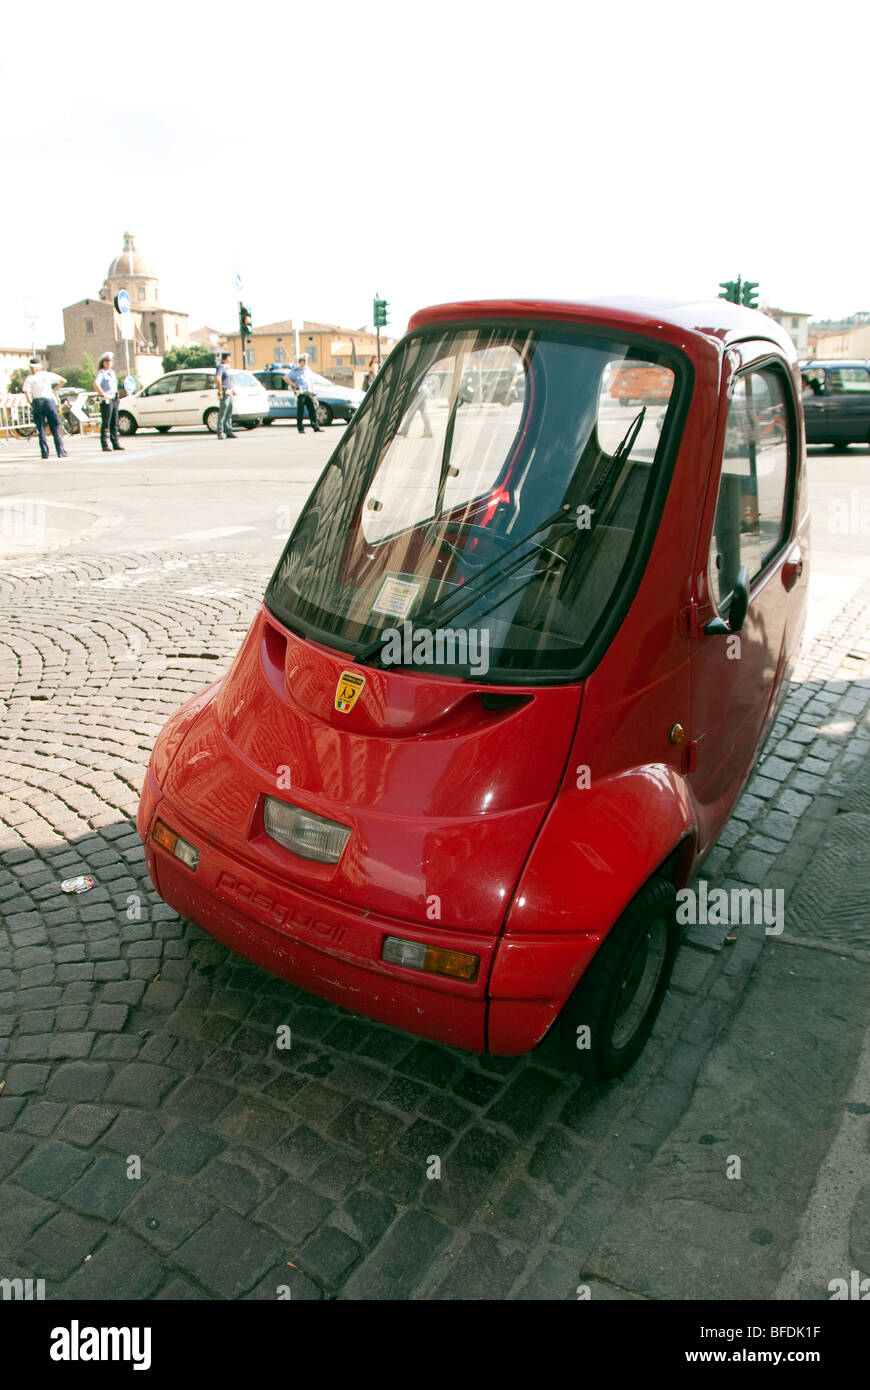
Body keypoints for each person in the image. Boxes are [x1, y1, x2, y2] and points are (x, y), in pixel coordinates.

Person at [21, 359, 67, 459]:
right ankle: (60, 451)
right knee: (55, 427)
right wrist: (54, 390)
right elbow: (63, 380)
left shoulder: (30, 378)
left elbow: (26, 392)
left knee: (41, 428)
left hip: (37, 402)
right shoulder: (47, 375)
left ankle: (45, 453)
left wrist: (30, 403)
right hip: (49, 401)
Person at [93, 352, 124, 452]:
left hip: (114, 398)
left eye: (110, 361)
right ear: (103, 363)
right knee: (106, 423)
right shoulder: (102, 373)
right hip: (106, 399)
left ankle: (115, 443)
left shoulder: (112, 373)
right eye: (106, 362)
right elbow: (96, 384)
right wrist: (103, 394)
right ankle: (105, 444)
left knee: (114, 422)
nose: (108, 363)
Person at [285, 353, 322, 433]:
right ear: (299, 362)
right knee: (300, 411)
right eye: (303, 361)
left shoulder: (308, 370)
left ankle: (315, 426)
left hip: (308, 392)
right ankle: (300, 428)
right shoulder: (295, 371)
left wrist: (313, 392)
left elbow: (311, 381)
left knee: (312, 410)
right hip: (301, 393)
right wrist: (293, 384)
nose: (304, 363)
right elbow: (285, 377)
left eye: (305, 361)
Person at [215, 351, 236, 439]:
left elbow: (228, 380)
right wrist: (220, 391)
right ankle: (220, 432)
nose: (230, 359)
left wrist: (233, 389)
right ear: (227, 358)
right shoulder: (221, 367)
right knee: (222, 414)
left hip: (229, 391)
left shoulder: (226, 368)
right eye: (230, 357)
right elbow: (218, 378)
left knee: (229, 413)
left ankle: (229, 431)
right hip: (225, 392)